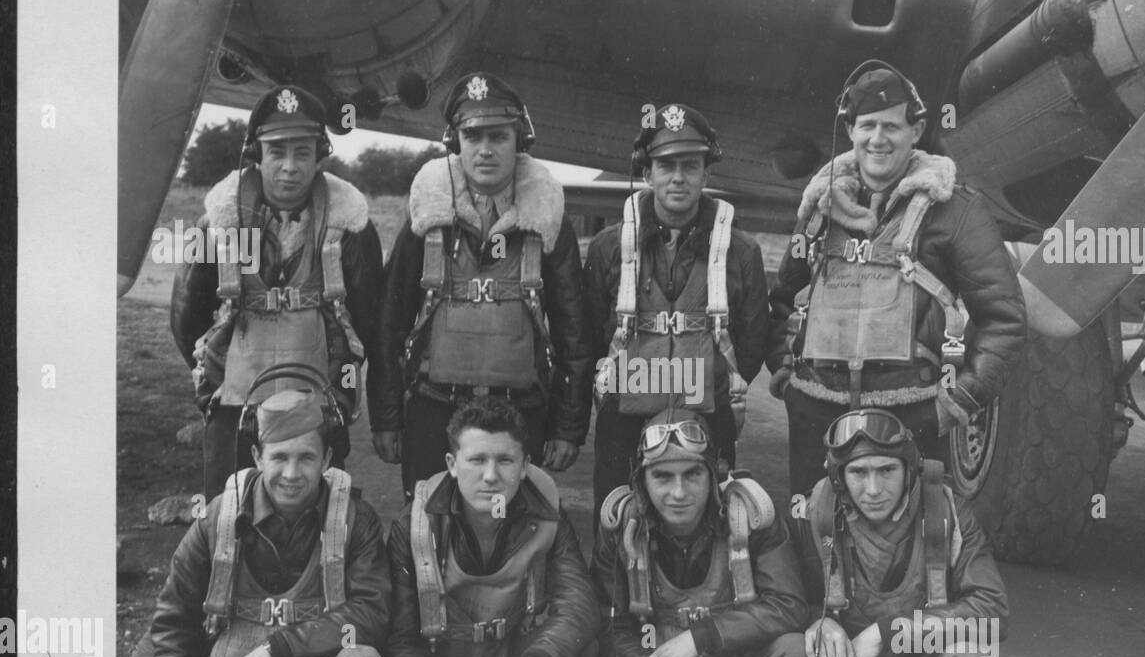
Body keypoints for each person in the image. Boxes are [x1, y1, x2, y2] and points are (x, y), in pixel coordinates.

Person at [768, 60, 1026, 498]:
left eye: (891, 126)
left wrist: (959, 402)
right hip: (814, 411)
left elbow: (1006, 318)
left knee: (909, 557)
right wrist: (784, 373)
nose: (878, 139)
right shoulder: (817, 209)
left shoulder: (957, 211)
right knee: (813, 546)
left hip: (913, 416)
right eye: (867, 125)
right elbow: (781, 300)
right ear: (849, 130)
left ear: (916, 130)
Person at [151, 378, 392, 657]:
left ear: (328, 459)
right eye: (279, 456)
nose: (292, 473)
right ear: (257, 456)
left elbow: (371, 613)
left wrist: (277, 649)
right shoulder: (217, 521)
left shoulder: (357, 521)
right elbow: (172, 623)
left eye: (306, 457)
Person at [371, 73, 593, 496]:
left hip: (519, 410)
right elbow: (389, 325)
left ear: (519, 141)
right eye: (473, 136)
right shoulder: (425, 218)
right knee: (426, 530)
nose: (485, 150)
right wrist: (386, 418)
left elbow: (574, 336)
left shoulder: (548, 222)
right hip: (434, 405)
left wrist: (568, 427)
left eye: (499, 136)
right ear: (456, 143)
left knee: (513, 531)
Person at [589, 410, 819, 657]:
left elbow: (789, 606)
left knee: (795, 654)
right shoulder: (621, 529)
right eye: (662, 477)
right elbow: (609, 635)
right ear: (641, 480)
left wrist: (701, 638)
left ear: (715, 474)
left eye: (692, 475)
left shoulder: (751, 516)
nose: (678, 493)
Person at [378, 397, 600, 657]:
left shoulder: (548, 513)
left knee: (577, 644)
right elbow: (400, 639)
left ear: (526, 463)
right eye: (476, 460)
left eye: (506, 461)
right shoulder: (414, 526)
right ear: (451, 462)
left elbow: (579, 607)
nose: (492, 476)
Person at [172, 85, 384, 501]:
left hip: (317, 413)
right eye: (277, 151)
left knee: (313, 531)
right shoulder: (216, 226)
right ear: (258, 155)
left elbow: (367, 322)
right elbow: (187, 317)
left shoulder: (351, 230)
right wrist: (216, 378)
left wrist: (340, 397)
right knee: (227, 524)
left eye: (302, 152)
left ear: (319, 156)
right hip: (234, 412)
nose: (289, 166)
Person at [794, 408, 1008, 657]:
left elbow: (992, 612)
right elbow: (785, 603)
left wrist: (892, 631)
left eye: (886, 471)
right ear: (839, 477)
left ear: (909, 469)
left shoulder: (947, 512)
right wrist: (818, 624)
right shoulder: (815, 514)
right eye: (859, 473)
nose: (873, 488)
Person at [584, 103, 770, 518]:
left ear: (707, 172)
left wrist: (712, 381)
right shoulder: (609, 247)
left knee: (709, 523)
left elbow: (754, 339)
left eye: (691, 165)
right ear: (646, 172)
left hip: (708, 410)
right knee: (617, 522)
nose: (678, 177)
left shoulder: (740, 250)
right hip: (625, 414)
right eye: (665, 165)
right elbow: (590, 327)